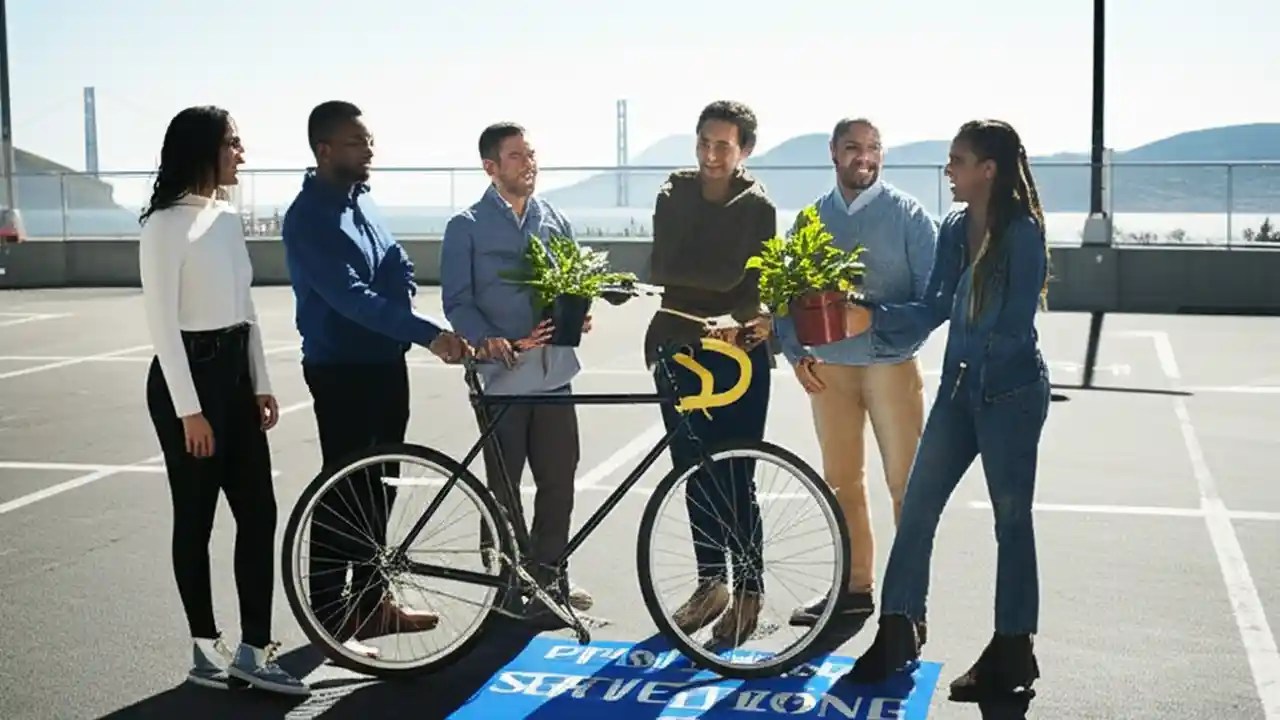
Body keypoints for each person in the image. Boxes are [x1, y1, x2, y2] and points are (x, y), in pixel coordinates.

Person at [839, 119, 1051, 702]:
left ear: (988, 170)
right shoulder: (955, 227)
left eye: (957, 160)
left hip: (1010, 397)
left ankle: (1013, 650)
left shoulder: (1023, 234)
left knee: (1012, 521)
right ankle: (896, 632)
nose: (949, 170)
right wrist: (870, 315)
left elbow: (1013, 327)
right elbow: (933, 306)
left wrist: (976, 375)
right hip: (960, 393)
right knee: (918, 508)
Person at [281, 101, 470, 658]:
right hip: (341, 369)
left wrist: (403, 291)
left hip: (385, 363)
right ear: (324, 151)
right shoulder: (309, 217)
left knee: (379, 487)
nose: (369, 150)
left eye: (368, 140)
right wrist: (428, 334)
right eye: (356, 142)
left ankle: (371, 604)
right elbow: (350, 297)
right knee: (343, 491)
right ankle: (329, 619)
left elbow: (395, 263)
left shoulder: (361, 200)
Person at [139, 105, 308, 695]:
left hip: (235, 379)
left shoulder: (227, 218)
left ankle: (254, 650)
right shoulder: (163, 225)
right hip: (188, 382)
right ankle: (204, 646)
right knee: (196, 516)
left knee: (259, 513)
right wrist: (189, 410)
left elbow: (246, 307)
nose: (242, 153)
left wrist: (261, 381)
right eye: (233, 143)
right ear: (203, 150)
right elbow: (162, 324)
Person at [772, 118, 938, 628]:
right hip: (830, 372)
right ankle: (853, 588)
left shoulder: (910, 217)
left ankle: (908, 603)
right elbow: (784, 292)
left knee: (905, 486)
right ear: (833, 152)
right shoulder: (810, 220)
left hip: (892, 368)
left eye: (872, 148)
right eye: (852, 147)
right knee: (841, 482)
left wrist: (878, 321)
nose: (863, 157)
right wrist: (795, 353)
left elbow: (935, 302)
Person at [440, 121, 593, 616]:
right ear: (491, 167)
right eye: (516, 156)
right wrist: (487, 340)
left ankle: (550, 580)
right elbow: (457, 301)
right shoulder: (464, 226)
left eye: (531, 154)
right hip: (502, 380)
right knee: (503, 492)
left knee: (558, 483)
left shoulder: (555, 219)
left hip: (555, 377)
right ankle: (508, 584)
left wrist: (579, 313)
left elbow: (573, 284)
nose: (529, 164)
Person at [643, 100, 776, 645]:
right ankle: (711, 585)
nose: (711, 154)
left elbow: (738, 278)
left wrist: (718, 288)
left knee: (736, 473)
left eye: (723, 145)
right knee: (692, 471)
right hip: (678, 345)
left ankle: (749, 592)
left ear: (745, 150)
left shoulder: (758, 204)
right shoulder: (672, 192)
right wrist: (721, 283)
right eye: (703, 142)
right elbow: (663, 266)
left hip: (739, 351)